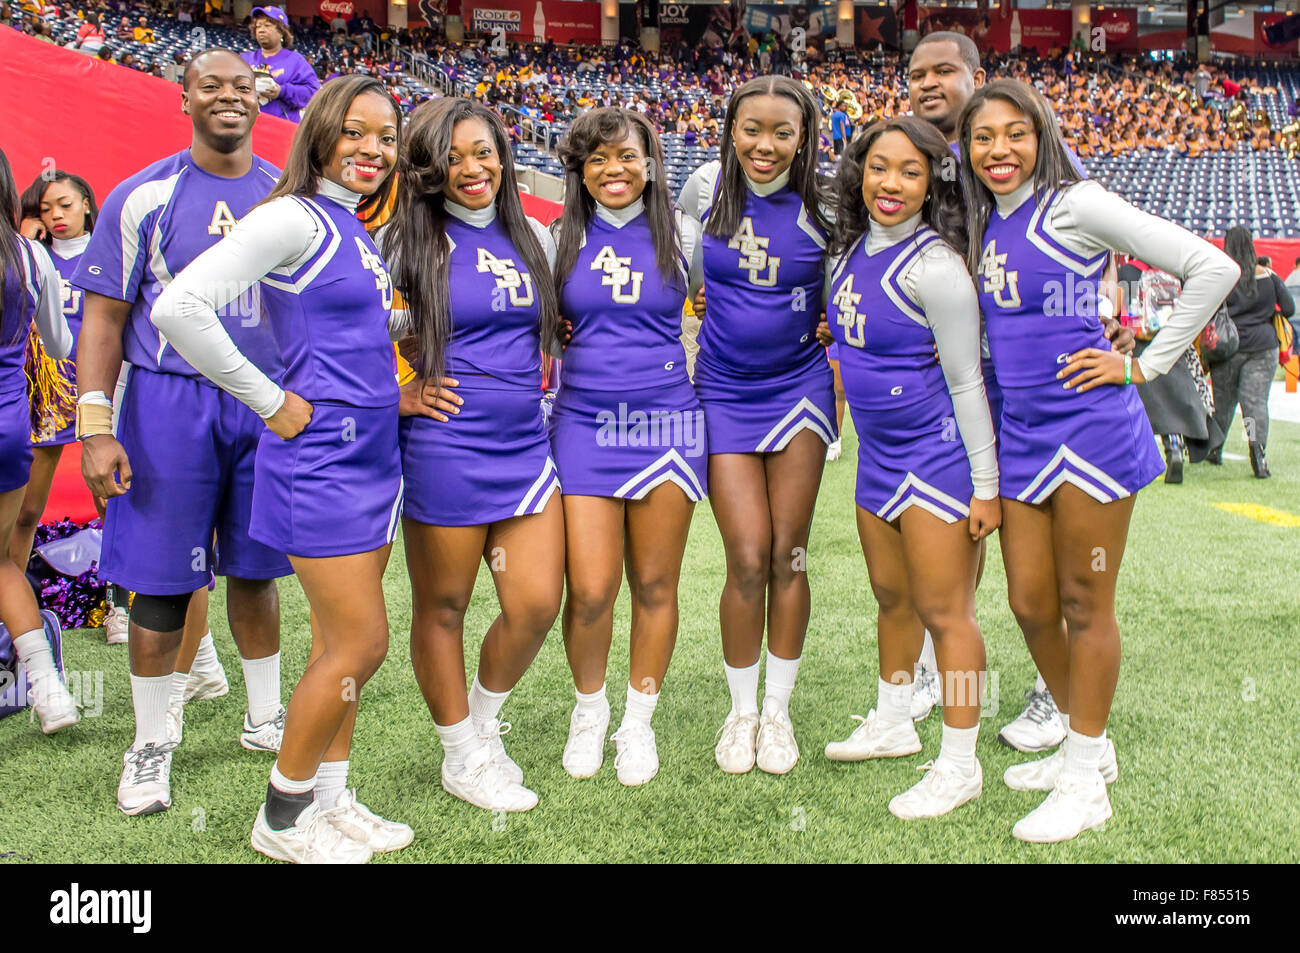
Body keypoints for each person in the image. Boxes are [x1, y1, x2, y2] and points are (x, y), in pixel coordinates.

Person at [959, 79, 1237, 842]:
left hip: (1089, 433)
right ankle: (1092, 743)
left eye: (1016, 133)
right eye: (984, 138)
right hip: (1021, 435)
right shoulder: (986, 218)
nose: (1000, 150)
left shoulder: (1076, 204)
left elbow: (1211, 268)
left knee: (1087, 604)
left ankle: (1084, 778)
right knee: (1028, 601)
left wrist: (1142, 364)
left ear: (1042, 134)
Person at [153, 74, 412, 863]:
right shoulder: (292, 216)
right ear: (321, 133)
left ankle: (332, 799)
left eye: (387, 136)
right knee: (362, 643)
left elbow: (357, 330)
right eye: (356, 131)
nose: (373, 149)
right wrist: (269, 400)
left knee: (340, 642)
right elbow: (179, 307)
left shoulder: (351, 224)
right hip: (321, 460)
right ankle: (283, 810)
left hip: (372, 456)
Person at [73, 49, 290, 817]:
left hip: (262, 406)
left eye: (241, 87)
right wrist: (95, 427)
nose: (228, 98)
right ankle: (150, 742)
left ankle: (266, 718)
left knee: (257, 570)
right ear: (185, 98)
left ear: (260, 100)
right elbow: (103, 316)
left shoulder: (285, 195)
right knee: (163, 582)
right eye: (212, 86)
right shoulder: (144, 196)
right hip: (170, 403)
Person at [906, 30, 1134, 749]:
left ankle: (1052, 696)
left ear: (978, 78)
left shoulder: (1021, 156)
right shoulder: (909, 156)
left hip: (1028, 381)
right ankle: (936, 667)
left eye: (944, 70)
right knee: (956, 537)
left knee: (1052, 566)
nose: (928, 83)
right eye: (916, 73)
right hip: (942, 385)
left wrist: (1111, 326)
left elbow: (1089, 248)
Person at [380, 97, 561, 813]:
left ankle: (480, 725)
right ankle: (461, 754)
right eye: (452, 156)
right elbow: (342, 322)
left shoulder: (533, 235)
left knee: (537, 600)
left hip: (525, 445)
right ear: (428, 167)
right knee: (445, 605)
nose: (471, 167)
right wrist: (398, 390)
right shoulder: (405, 240)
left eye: (483, 150)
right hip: (446, 446)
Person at [820, 117, 999, 819]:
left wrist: (984, 485)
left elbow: (965, 382)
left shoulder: (940, 268)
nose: (890, 184)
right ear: (859, 172)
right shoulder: (848, 253)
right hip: (877, 460)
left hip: (936, 460)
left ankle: (960, 761)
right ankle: (893, 717)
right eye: (879, 168)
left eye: (910, 172)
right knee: (892, 600)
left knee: (946, 612)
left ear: (932, 184)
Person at [677, 75, 835, 777]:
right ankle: (740, 711)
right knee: (746, 555)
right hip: (723, 389)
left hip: (800, 386)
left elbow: (851, 282)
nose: (765, 145)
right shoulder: (700, 187)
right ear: (730, 128)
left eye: (782, 132)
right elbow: (675, 273)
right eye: (752, 129)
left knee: (787, 552)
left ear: (804, 137)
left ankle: (778, 712)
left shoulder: (829, 200)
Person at [549, 108, 705, 786]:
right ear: (580, 171)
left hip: (669, 420)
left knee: (655, 582)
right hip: (583, 421)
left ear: (650, 160)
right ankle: (590, 710)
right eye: (597, 159)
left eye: (626, 156)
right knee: (587, 588)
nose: (613, 170)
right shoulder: (553, 237)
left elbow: (735, 309)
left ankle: (637, 721)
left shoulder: (687, 233)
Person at [0, 147, 80, 736]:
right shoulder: (30, 256)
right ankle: (49, 692)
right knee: (4, 560)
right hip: (10, 426)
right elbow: (55, 344)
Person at [13, 173, 104, 599]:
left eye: (64, 204)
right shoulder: (31, 258)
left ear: (86, 202)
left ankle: (120, 606)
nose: (56, 216)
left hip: (99, 387)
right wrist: (24, 238)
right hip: (46, 393)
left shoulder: (111, 250)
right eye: (45, 209)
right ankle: (11, 599)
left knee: (111, 501)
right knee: (27, 508)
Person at [1206, 226, 1294, 479]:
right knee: (1254, 404)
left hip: (1228, 347)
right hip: (1263, 348)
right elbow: (1289, 308)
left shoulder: (1223, 275)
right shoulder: (1268, 275)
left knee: (1223, 404)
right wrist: (1269, 314)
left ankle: (1214, 449)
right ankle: (1257, 453)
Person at [242, 6, 321, 123]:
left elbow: (313, 92)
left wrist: (281, 91)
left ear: (281, 32)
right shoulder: (245, 58)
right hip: (249, 127)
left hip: (282, 128)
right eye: (258, 26)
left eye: (267, 26)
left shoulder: (295, 60)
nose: (261, 30)